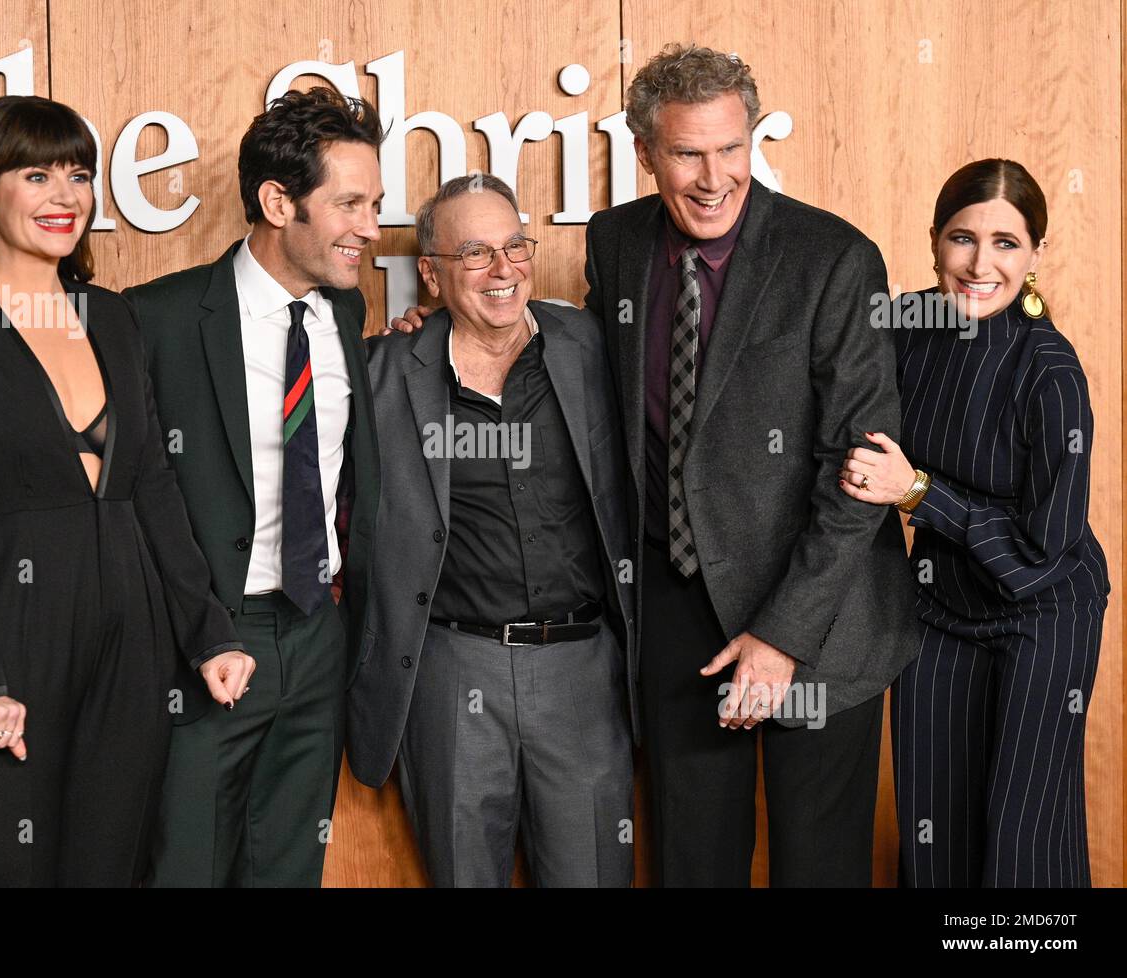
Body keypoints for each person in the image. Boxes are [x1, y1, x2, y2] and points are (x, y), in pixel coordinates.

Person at [394, 44, 920, 886]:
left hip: (822, 621)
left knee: (818, 870)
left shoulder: (834, 259)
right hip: (678, 619)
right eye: (687, 153)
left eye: (731, 149)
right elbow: (570, 371)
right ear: (645, 154)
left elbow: (858, 471)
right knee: (691, 864)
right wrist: (426, 327)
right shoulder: (617, 242)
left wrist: (781, 638)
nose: (714, 178)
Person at [0, 95, 250, 887]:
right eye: (35, 173)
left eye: (79, 175)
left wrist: (208, 633)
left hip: (132, 636)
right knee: (5, 869)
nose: (64, 196)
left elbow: (153, 487)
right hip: (8, 633)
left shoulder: (112, 317)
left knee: (111, 868)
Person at [124, 87, 383, 887]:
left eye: (374, 203)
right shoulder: (154, 320)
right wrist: (204, 631)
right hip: (205, 642)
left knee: (287, 868)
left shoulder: (345, 311)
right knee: (186, 866)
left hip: (318, 630)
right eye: (349, 204)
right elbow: (133, 495)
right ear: (278, 201)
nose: (370, 230)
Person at [353, 174, 636, 887]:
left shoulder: (591, 347)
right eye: (475, 254)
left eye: (515, 246)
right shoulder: (381, 373)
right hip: (452, 672)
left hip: (581, 670)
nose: (503, 270)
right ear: (431, 274)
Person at [839, 159, 1110, 887]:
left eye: (1006, 243)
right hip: (937, 603)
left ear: (1035, 255)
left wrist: (919, 493)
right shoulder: (903, 324)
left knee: (1021, 833)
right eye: (963, 238)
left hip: (1043, 609)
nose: (980, 264)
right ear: (933, 240)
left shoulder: (1050, 369)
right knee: (934, 826)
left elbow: (1046, 548)